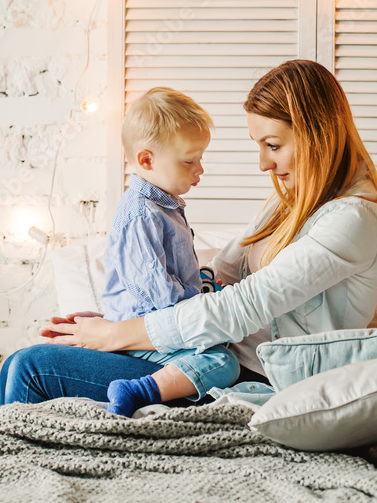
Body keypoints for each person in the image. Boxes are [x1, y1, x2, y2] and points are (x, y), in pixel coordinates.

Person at [0, 60, 377, 407]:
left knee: (30, 367)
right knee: (22, 364)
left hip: (247, 374)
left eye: (272, 145)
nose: (263, 164)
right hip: (206, 349)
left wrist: (116, 335)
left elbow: (243, 304)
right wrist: (122, 317)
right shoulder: (296, 197)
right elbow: (218, 274)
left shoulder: (353, 219)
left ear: (317, 134)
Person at [47, 87, 240, 417]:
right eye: (190, 160)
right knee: (222, 362)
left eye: (201, 159)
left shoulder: (166, 208)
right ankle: (137, 390)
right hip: (144, 332)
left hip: (159, 322)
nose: (200, 170)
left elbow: (179, 274)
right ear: (146, 159)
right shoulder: (142, 215)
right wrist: (205, 310)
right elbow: (158, 294)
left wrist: (207, 284)